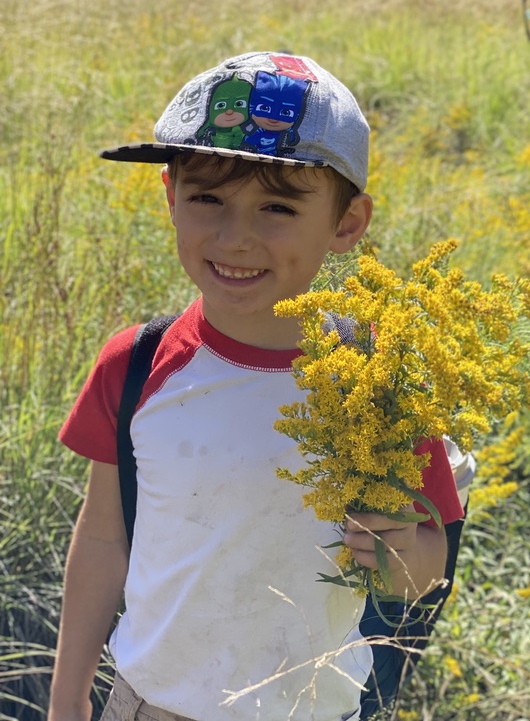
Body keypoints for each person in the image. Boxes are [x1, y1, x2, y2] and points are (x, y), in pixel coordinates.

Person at [48, 51, 464, 721]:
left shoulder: (380, 376)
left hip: (310, 709)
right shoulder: (134, 365)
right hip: (148, 705)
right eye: (207, 197)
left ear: (347, 223)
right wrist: (66, 699)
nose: (236, 237)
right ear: (169, 196)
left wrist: (394, 557)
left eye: (277, 206)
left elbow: (427, 565)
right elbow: (102, 539)